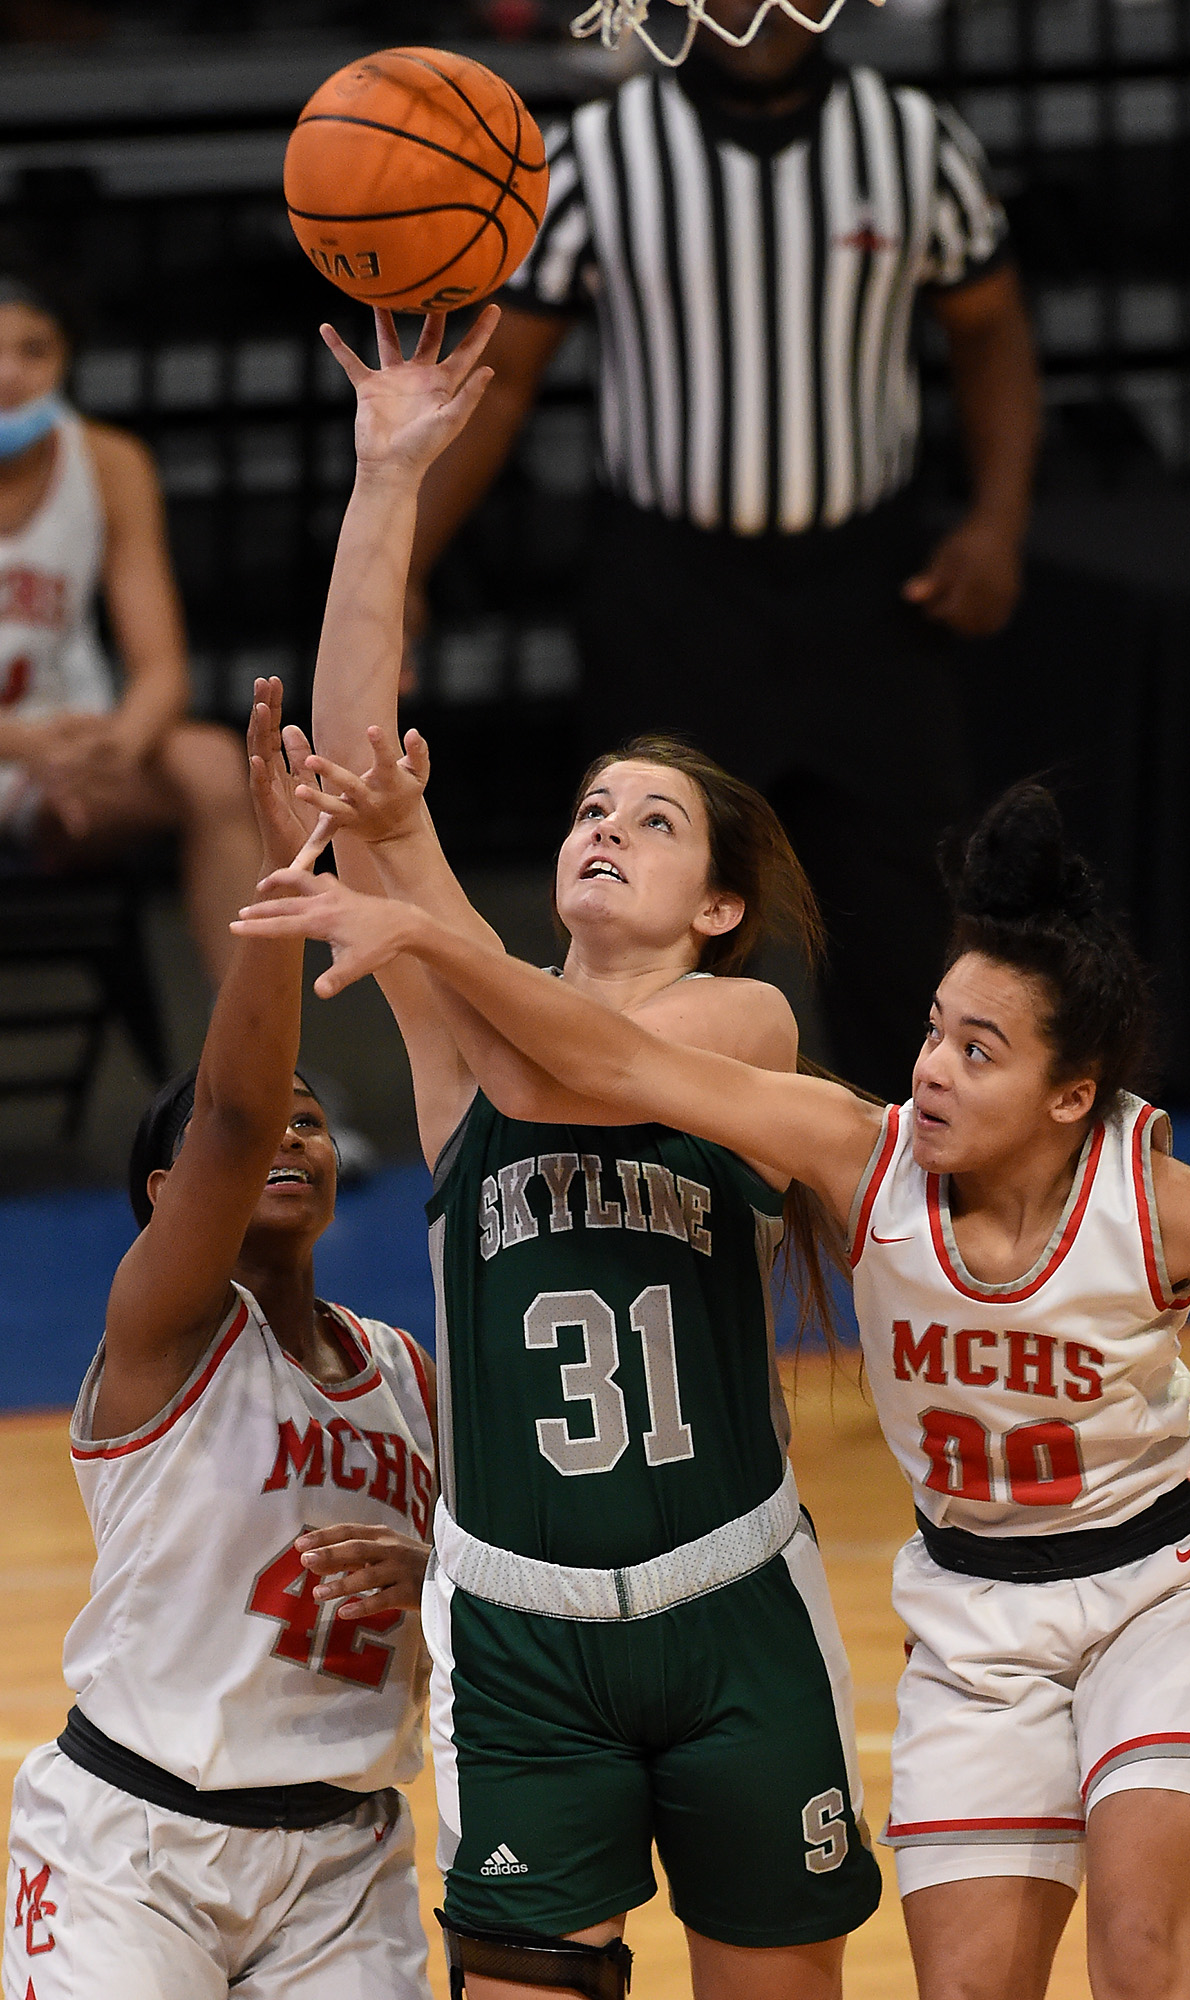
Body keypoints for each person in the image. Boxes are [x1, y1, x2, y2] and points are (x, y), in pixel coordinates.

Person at [243, 782, 1190, 2000]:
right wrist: (436, 922)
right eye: (930, 1031)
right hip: (976, 1609)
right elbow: (616, 1059)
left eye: (978, 1050)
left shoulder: (1148, 1193)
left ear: (1071, 1096)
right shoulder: (860, 1154)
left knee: (1140, 1945)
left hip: (1156, 1587)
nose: (932, 1072)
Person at [273, 304, 883, 2000]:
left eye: (654, 819)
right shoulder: (464, 1015)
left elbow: (579, 1074)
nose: (607, 826)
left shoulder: (744, 1031)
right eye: (592, 806)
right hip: (520, 1627)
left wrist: (408, 868)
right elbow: (342, 752)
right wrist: (389, 472)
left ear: (722, 906)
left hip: (728, 1604)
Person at [403, 0, 1041, 1101]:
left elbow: (988, 331)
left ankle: (934, 1222)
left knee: (905, 932)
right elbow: (501, 381)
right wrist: (401, 565)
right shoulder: (599, 151)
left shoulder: (912, 139)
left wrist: (995, 520)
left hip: (869, 595)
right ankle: (638, 1184)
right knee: (644, 937)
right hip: (671, 593)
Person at [2, 679, 436, 2000]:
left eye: (317, 1120)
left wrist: (434, 1588)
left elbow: (482, 1606)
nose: (290, 1133)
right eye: (265, 1121)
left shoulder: (411, 1376)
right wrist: (273, 882)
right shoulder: (167, 1327)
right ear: (163, 1196)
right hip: (132, 1846)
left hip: (343, 1861)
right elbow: (234, 1122)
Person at [0, 271, 258, 983]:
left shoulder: (109, 463)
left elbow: (162, 669)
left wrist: (114, 747)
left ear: (67, 360)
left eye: (34, 350)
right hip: (32, 745)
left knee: (209, 764)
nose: (9, 374)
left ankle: (253, 1064)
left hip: (71, 750)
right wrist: (28, 744)